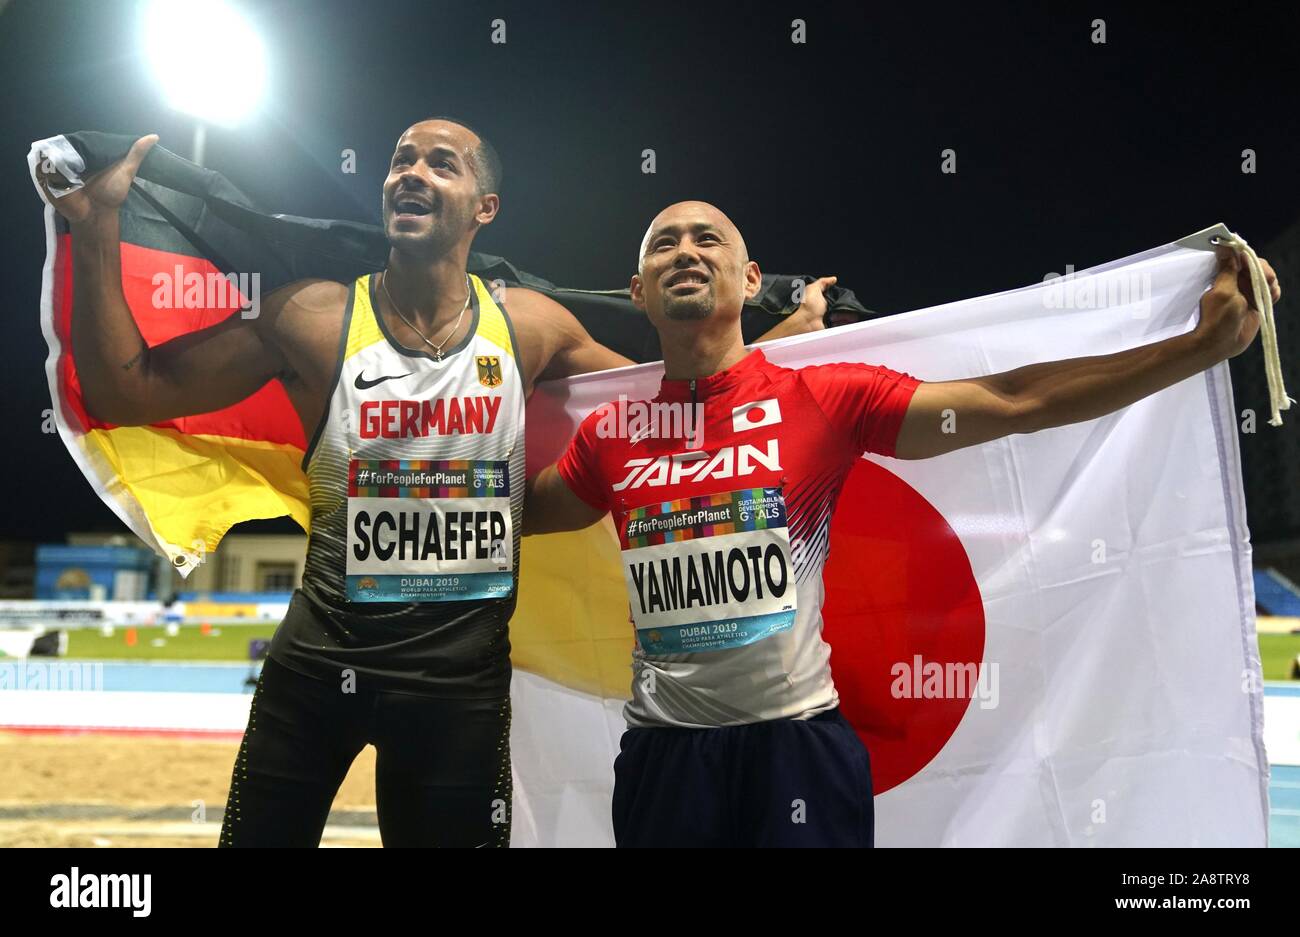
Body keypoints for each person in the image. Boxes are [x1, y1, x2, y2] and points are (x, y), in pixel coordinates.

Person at [33, 123, 825, 848]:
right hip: (314, 669)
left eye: (439, 164)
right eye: (400, 161)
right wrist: (97, 227)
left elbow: (679, 395)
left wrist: (777, 344)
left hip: (457, 692)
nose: (410, 173)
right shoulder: (313, 317)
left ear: (484, 207)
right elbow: (127, 392)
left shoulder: (531, 325)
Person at [524, 200, 1281, 847]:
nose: (685, 250)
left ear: (750, 280)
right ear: (638, 291)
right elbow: (509, 518)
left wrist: (1196, 345)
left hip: (799, 754)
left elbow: (1018, 397)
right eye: (664, 243)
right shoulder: (611, 435)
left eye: (707, 238)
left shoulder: (824, 399)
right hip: (666, 761)